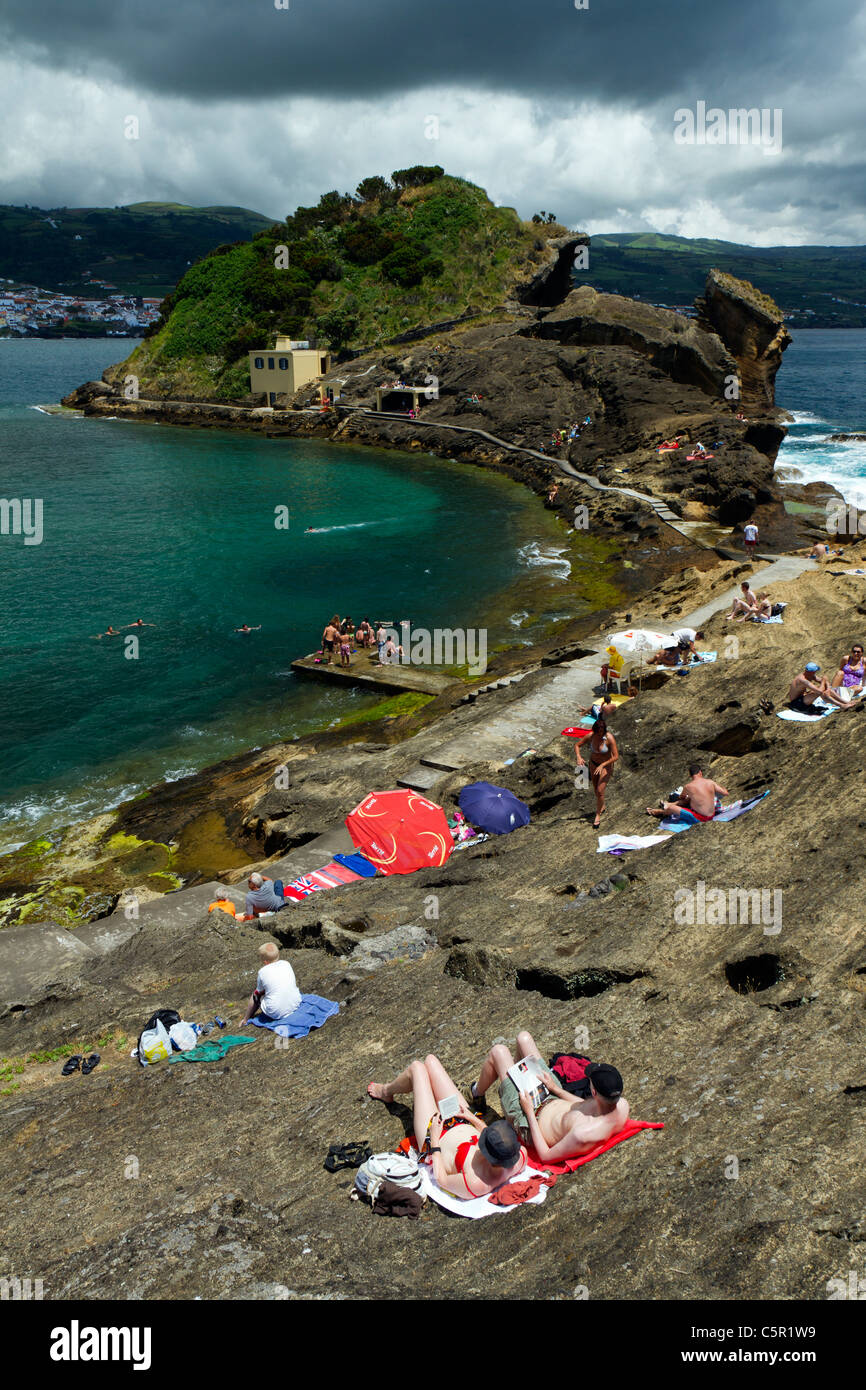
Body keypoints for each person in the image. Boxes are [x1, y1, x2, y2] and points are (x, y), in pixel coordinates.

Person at [367, 1055, 527, 1200]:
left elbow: (441, 1179)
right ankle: (395, 1090)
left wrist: (435, 1139)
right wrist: (470, 1117)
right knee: (431, 1061)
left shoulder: (476, 1182)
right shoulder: (518, 1156)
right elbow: (492, 1136)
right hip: (465, 1121)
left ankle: (386, 1091)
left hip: (436, 1135)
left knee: (418, 1069)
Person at [470, 1031, 629, 1162]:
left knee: (499, 1052)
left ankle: (476, 1094)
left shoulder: (583, 1133)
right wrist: (555, 1089)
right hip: (551, 1094)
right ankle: (514, 1074)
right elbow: (583, 1105)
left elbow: (546, 1156)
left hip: (530, 1118)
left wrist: (529, 1112)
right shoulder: (620, 1105)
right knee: (524, 1038)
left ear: (594, 1093)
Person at [240, 942, 301, 1025]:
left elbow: (257, 995)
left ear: (265, 962)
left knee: (257, 994)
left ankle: (247, 1018)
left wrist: (245, 1018)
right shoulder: (286, 963)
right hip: (296, 1003)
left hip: (275, 1012)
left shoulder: (262, 972)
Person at [646, 762, 728, 822]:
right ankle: (667, 805)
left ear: (690, 775)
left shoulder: (688, 786)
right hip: (711, 814)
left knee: (673, 807)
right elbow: (725, 793)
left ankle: (659, 812)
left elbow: (681, 797)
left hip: (701, 818)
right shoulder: (710, 782)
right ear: (700, 772)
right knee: (691, 799)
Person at [576, 717, 618, 829]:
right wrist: (579, 757)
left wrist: (603, 765)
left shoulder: (609, 738)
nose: (600, 735)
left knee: (600, 791)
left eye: (602, 733)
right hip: (593, 764)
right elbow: (577, 745)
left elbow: (616, 756)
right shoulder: (591, 736)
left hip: (605, 766)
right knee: (595, 789)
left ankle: (598, 815)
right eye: (598, 733)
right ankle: (602, 805)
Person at [787, 662, 859, 714]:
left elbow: (823, 681)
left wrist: (827, 688)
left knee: (826, 690)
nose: (815, 674)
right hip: (796, 703)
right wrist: (824, 681)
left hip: (802, 697)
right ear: (810, 672)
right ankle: (842, 705)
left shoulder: (810, 675)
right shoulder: (803, 680)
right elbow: (820, 690)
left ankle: (845, 702)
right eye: (814, 672)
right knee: (820, 692)